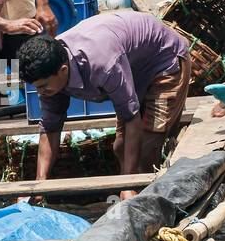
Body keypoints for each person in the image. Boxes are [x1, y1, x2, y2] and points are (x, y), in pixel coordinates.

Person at [17, 12, 192, 200]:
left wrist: (127, 184)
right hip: (131, 71)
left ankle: (150, 201)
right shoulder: (48, 74)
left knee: (147, 150)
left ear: (64, 71)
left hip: (165, 66)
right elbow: (50, 128)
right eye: (36, 88)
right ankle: (135, 192)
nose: (40, 93)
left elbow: (131, 117)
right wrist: (39, 184)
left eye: (43, 86)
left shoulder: (103, 64)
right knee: (119, 147)